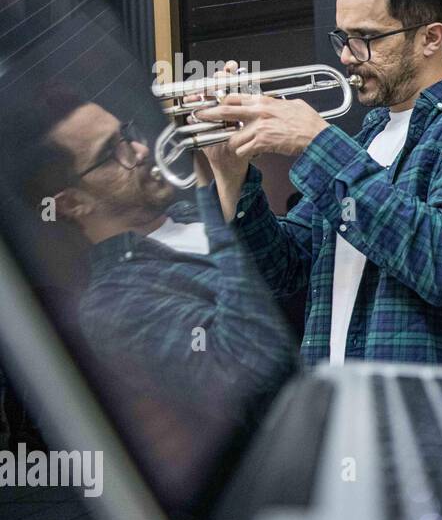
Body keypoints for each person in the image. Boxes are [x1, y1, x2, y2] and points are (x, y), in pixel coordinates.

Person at [197, 0, 442, 367]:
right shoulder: (368, 138)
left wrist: (318, 144)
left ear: (430, 37)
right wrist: (231, 173)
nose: (345, 56)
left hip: (430, 416)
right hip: (342, 409)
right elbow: (283, 271)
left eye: (365, 39)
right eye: (343, 38)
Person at [3, 83, 295, 442]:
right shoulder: (112, 304)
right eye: (113, 152)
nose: (141, 150)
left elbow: (300, 266)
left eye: (125, 134)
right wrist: (214, 180)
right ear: (73, 203)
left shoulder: (192, 214)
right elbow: (250, 368)